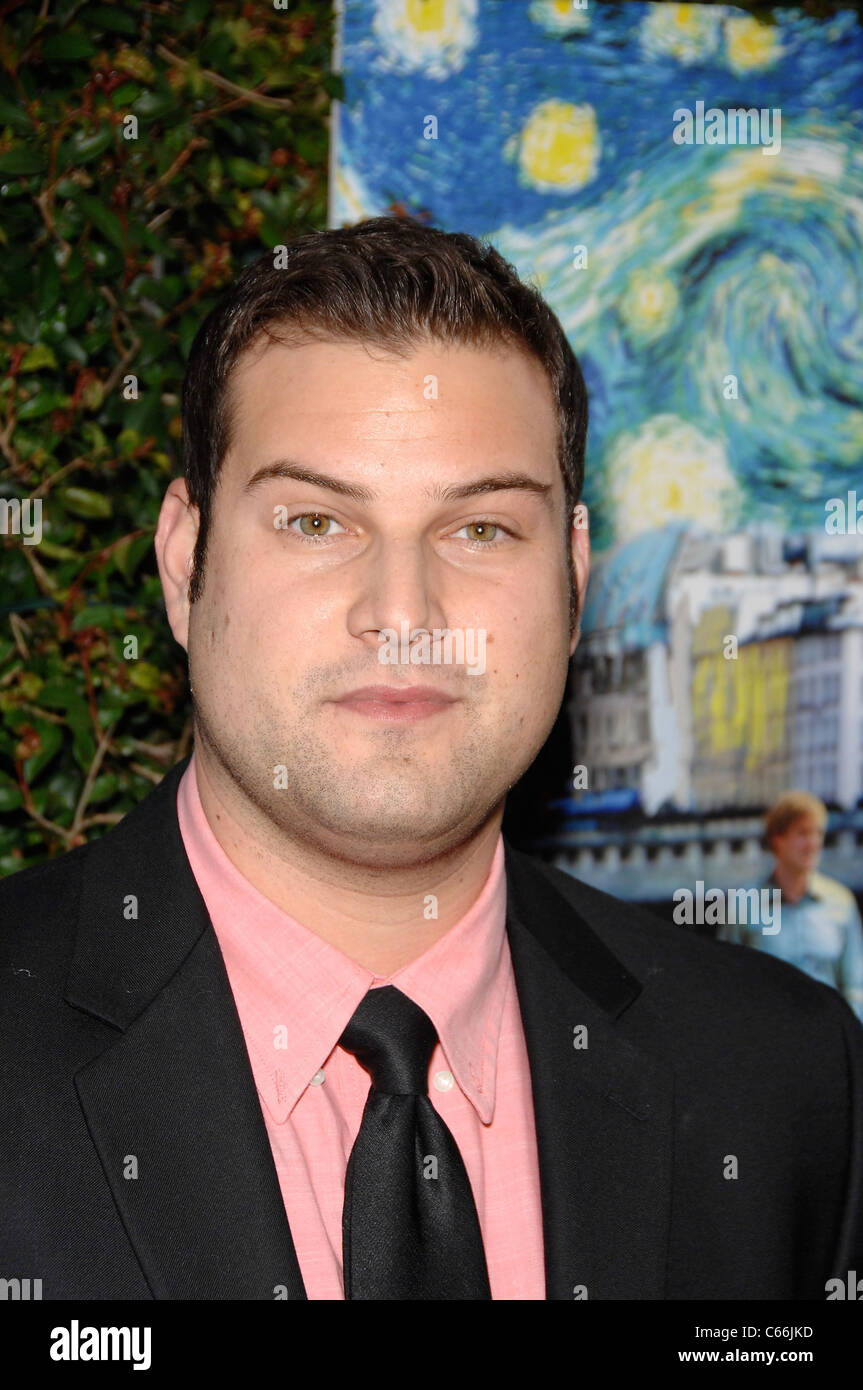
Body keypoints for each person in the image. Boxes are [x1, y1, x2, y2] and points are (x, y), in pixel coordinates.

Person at [1, 217, 861, 1301]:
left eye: (481, 530)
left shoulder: (781, 1083)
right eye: (316, 523)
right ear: (184, 566)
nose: (402, 615)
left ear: (573, 576)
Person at [717, 790, 863, 1024]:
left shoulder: (841, 902)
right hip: (771, 1043)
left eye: (818, 833)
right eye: (803, 833)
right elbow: (725, 985)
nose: (813, 843)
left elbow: (856, 986)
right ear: (778, 840)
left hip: (828, 1043)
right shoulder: (743, 905)